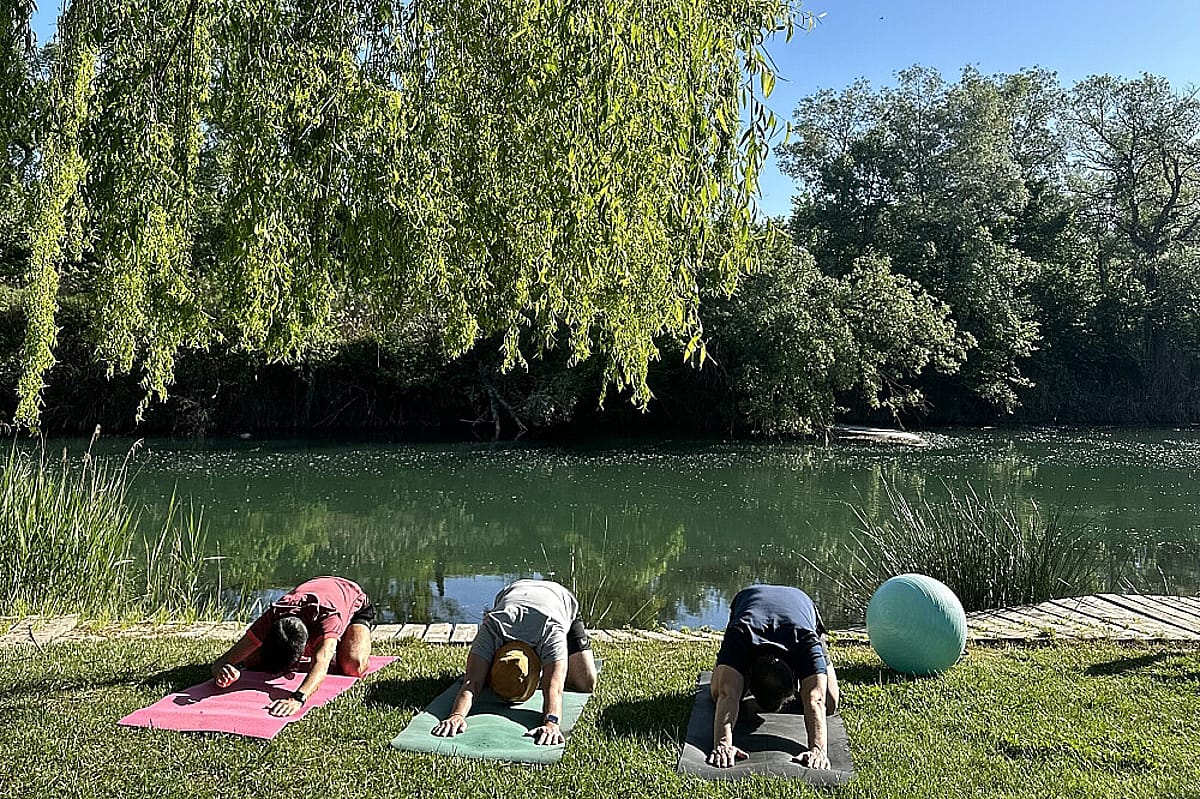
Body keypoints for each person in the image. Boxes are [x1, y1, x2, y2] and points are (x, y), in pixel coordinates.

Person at [431, 578, 597, 745]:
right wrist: (456, 716)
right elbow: (471, 681)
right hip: (514, 591)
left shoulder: (551, 632)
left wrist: (551, 723)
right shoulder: (493, 627)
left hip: (559, 598)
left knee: (585, 682)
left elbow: (553, 688)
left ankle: (546, 663)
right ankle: (501, 671)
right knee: (485, 675)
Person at [708, 584, 840, 770]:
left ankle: (734, 670)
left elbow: (817, 699)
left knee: (830, 701)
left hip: (800, 608)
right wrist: (723, 744)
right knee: (716, 692)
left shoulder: (805, 640)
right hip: (748, 603)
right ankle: (735, 669)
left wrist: (817, 749)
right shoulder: (740, 634)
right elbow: (726, 694)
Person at [210, 575, 376, 717]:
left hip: (351, 598)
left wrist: (298, 698)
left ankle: (344, 635)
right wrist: (222, 673)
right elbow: (221, 662)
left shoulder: (328, 619)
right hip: (317, 590)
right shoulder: (273, 616)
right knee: (252, 662)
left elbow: (321, 662)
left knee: (352, 665)